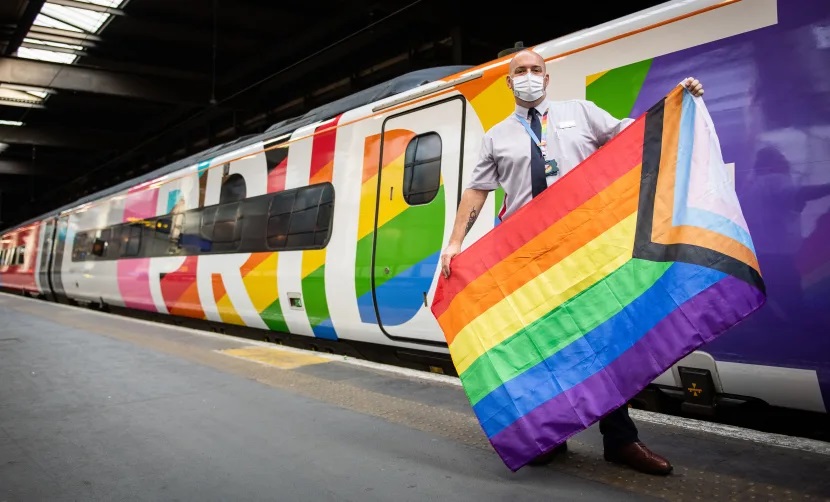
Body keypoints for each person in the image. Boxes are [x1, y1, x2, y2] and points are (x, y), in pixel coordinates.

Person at [439, 49, 704, 476]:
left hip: (584, 249)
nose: (528, 77)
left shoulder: (581, 113)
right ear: (509, 83)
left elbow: (634, 135)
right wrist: (454, 243)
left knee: (603, 340)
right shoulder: (497, 136)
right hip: (527, 255)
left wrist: (678, 102)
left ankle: (621, 440)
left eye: (534, 70)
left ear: (547, 77)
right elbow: (477, 192)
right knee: (543, 344)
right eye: (519, 72)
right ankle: (552, 434)